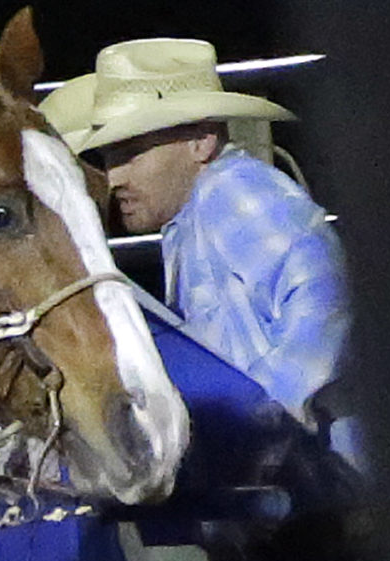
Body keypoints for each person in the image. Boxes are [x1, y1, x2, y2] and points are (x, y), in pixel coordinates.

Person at [76, 36, 356, 467]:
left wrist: (268, 415)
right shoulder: (193, 217)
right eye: (110, 158)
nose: (114, 179)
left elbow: (325, 289)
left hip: (326, 470)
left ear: (202, 141)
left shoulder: (231, 191)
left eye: (131, 154)